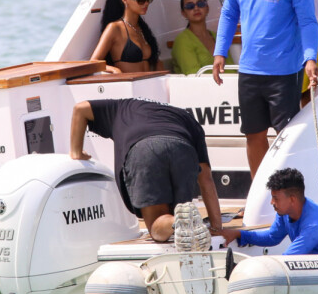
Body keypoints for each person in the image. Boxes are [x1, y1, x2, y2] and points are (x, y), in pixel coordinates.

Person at [213, 0, 318, 177]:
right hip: (250, 70)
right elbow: (229, 13)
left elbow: (308, 21)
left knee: (286, 137)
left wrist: (310, 59)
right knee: (253, 135)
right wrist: (220, 52)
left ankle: (289, 192)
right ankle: (259, 195)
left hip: (284, 71)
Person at [69, 99, 223, 243]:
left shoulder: (121, 107)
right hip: (183, 149)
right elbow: (206, 179)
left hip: (145, 149)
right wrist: (217, 229)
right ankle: (181, 220)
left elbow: (80, 108)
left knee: (158, 226)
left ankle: (177, 221)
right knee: (181, 214)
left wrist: (76, 152)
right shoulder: (188, 118)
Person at [219, 167, 318, 254]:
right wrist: (239, 233)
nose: (271, 202)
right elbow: (272, 237)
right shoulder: (284, 212)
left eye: (275, 198)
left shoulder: (315, 223)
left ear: (292, 199)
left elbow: (290, 259)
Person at [91, 0, 161, 73]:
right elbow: (94, 62)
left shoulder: (142, 29)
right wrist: (115, 70)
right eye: (140, 0)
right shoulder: (114, 28)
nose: (146, 3)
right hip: (129, 86)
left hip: (148, 84)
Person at [171, 0, 223, 74]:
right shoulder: (182, 41)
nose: (196, 8)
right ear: (183, 13)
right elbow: (194, 75)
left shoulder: (217, 37)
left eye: (200, 4)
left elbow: (231, 67)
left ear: (207, 8)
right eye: (190, 6)